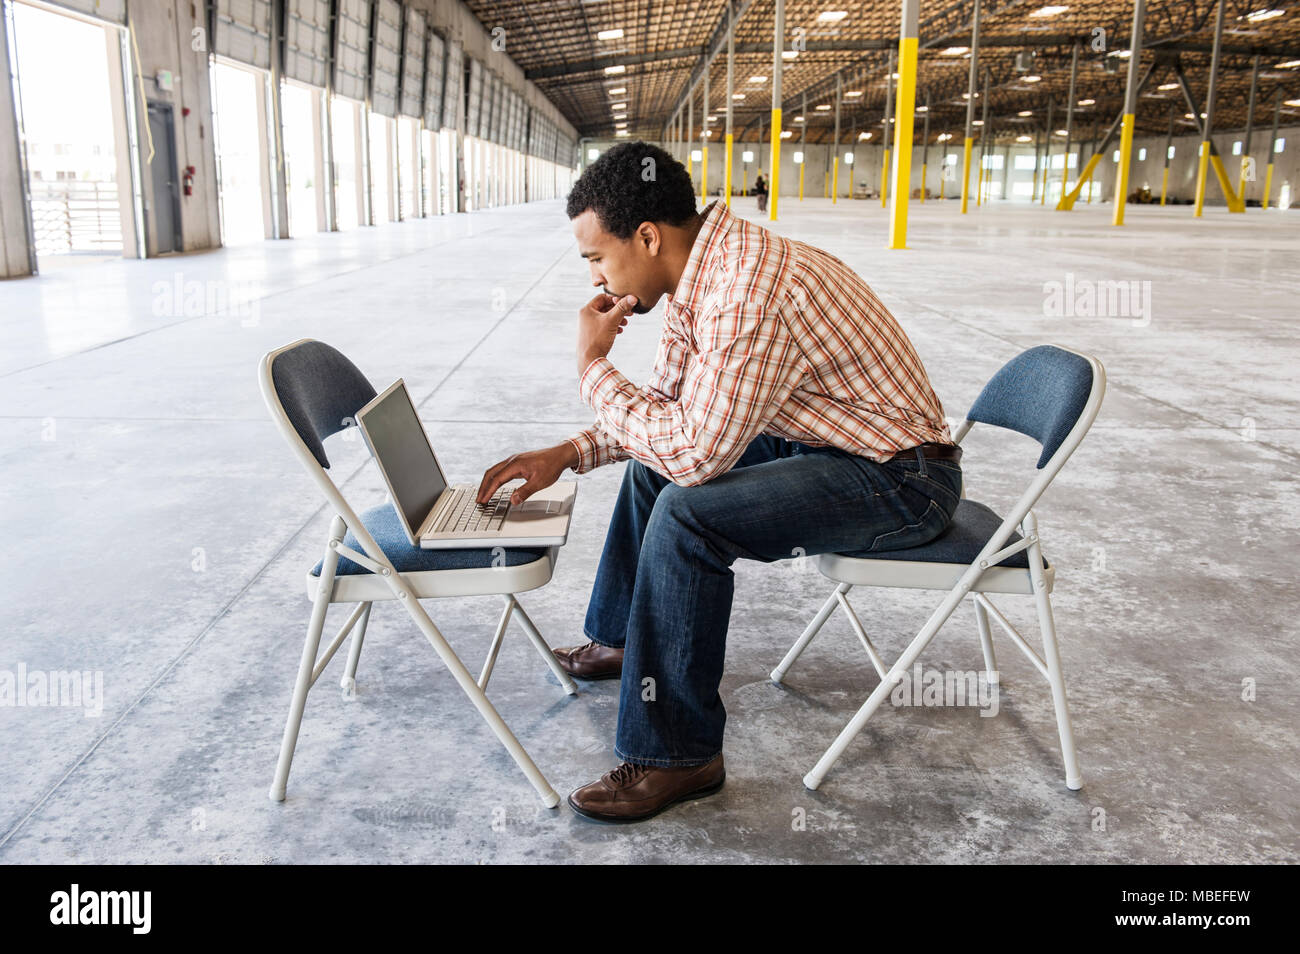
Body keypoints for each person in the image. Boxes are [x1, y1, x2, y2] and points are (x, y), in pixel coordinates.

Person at [475, 141, 959, 823]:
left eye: (596, 258)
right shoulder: (698, 273)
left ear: (647, 237)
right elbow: (671, 421)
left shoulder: (747, 290)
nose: (594, 281)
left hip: (900, 479)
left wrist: (591, 367)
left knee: (686, 513)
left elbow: (697, 456)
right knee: (654, 471)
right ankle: (622, 641)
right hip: (832, 445)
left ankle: (679, 753)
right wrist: (568, 452)